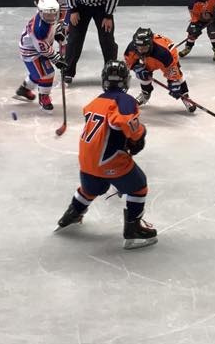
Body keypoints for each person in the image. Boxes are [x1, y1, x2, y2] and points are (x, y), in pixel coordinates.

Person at [55, 61, 157, 250]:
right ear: (126, 81)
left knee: (92, 188)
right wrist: (139, 135)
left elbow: (106, 129)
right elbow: (129, 125)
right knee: (138, 186)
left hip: (86, 161)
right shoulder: (125, 101)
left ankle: (71, 215)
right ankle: (133, 230)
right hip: (108, 161)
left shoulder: (94, 102)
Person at [124, 27, 195, 113]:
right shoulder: (133, 47)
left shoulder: (163, 53)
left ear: (150, 44)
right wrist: (136, 68)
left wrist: (173, 83)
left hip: (168, 56)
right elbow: (129, 60)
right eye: (139, 48)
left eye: (144, 48)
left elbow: (171, 69)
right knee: (143, 74)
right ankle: (145, 94)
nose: (141, 51)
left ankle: (185, 96)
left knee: (178, 78)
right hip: (150, 59)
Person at [15, 0, 66, 111]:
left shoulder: (47, 15)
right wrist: (56, 59)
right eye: (48, 15)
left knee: (38, 73)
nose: (51, 17)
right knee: (47, 74)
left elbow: (54, 25)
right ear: (41, 12)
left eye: (54, 14)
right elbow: (42, 49)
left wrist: (57, 33)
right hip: (32, 53)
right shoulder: (39, 29)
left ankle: (24, 89)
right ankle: (44, 97)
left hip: (35, 49)